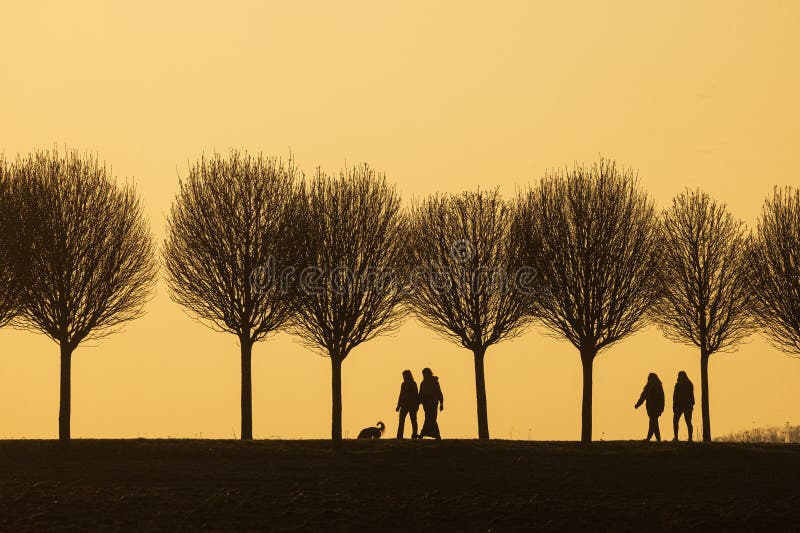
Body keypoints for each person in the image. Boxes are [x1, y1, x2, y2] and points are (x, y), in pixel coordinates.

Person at [635, 373, 664, 441]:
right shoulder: (647, 387)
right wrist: (638, 404)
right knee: (653, 422)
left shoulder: (658, 387)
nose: (649, 378)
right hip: (649, 408)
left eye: (650, 377)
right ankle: (651, 438)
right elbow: (643, 397)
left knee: (653, 422)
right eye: (649, 377)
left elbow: (662, 399)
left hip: (656, 408)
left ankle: (657, 438)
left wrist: (661, 408)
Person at [418, 367, 444, 439]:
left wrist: (441, 403)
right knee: (430, 418)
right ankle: (435, 435)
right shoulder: (423, 383)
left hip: (433, 403)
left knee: (431, 418)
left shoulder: (434, 382)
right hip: (426, 404)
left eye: (424, 374)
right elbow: (421, 394)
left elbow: (439, 392)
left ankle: (424, 434)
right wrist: (418, 402)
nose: (423, 375)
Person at [396, 370, 420, 439]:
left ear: (408, 375)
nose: (403, 377)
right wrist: (398, 405)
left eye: (404, 375)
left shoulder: (413, 384)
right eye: (403, 376)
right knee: (401, 421)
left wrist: (417, 405)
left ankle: (414, 435)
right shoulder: (403, 384)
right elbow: (401, 395)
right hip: (404, 405)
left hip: (412, 405)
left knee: (413, 421)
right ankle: (399, 436)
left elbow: (416, 395)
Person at [672, 370, 695, 442]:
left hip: (687, 406)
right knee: (675, 421)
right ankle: (676, 437)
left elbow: (691, 396)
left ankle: (690, 438)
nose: (680, 376)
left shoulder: (689, 384)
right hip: (679, 406)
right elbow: (674, 396)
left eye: (681, 375)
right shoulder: (677, 385)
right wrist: (674, 406)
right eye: (679, 375)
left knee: (688, 422)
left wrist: (691, 405)